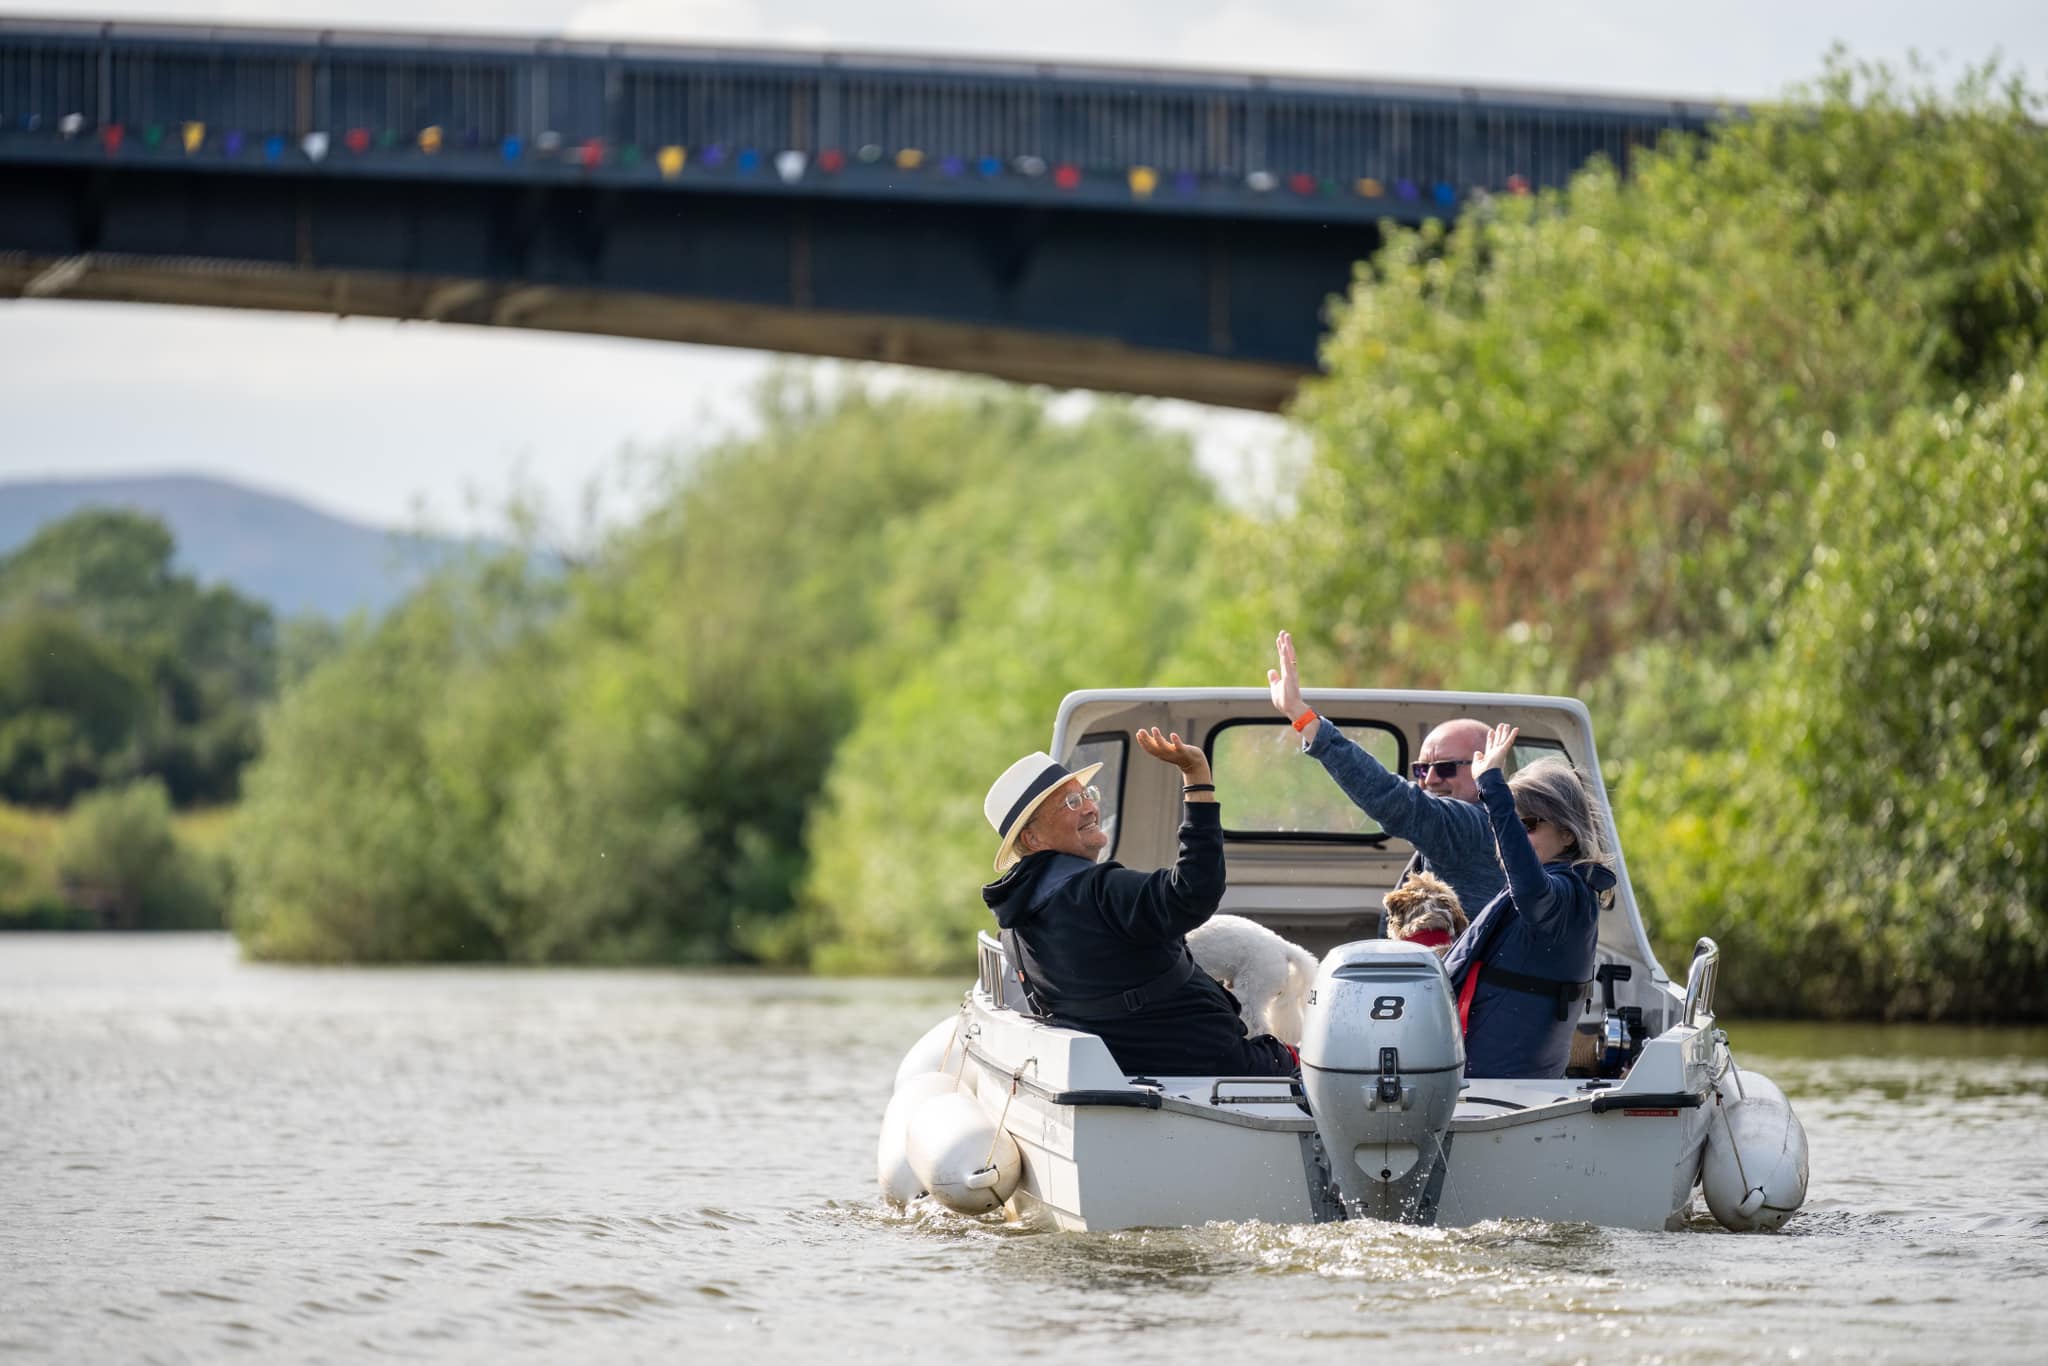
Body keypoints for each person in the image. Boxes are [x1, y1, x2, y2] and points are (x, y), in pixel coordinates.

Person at [980, 730, 1296, 1078]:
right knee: (1313, 1061)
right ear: (1033, 838)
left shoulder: (1013, 925)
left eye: (1086, 795)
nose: (1090, 808)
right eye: (1071, 803)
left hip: (1120, 1074)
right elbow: (1194, 890)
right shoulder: (1100, 891)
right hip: (1218, 1067)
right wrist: (1197, 778)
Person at [1267, 629, 1505, 918]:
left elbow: (1393, 799)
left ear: (1485, 767)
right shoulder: (1462, 832)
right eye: (1421, 769)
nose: (1429, 780)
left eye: (1445, 768)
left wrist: (1303, 718)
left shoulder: (1475, 825)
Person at [1444, 723, 1615, 1078]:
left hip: (1504, 1096)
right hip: (1481, 1086)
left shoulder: (1566, 897)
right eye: (1512, 825)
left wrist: (1492, 784)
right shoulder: (1563, 887)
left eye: (1530, 825)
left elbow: (1529, 888)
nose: (1518, 835)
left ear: (1567, 833)